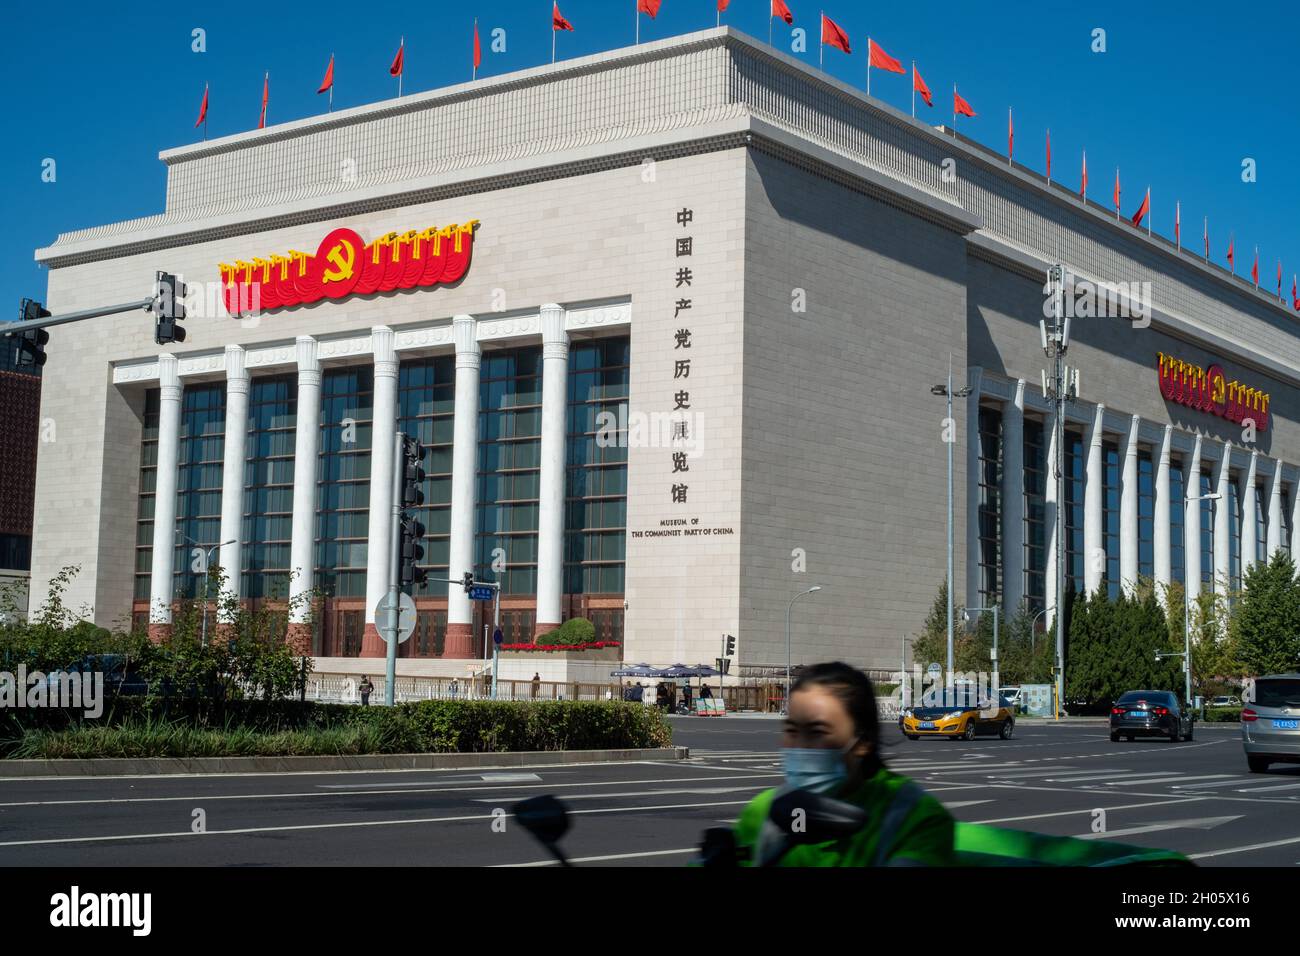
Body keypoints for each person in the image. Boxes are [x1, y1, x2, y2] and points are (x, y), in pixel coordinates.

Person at [731, 661, 954, 867]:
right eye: (791, 730)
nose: (799, 746)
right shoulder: (764, 809)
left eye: (817, 732)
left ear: (862, 742)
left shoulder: (917, 817)